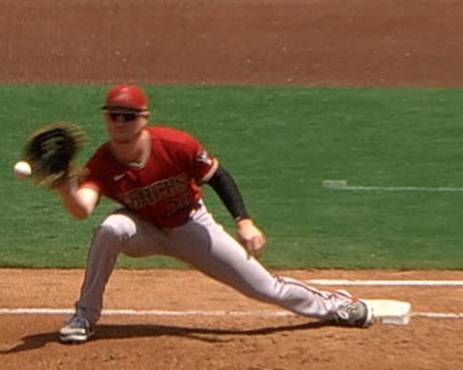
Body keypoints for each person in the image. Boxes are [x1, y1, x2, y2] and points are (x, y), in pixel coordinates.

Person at [51, 84, 376, 344]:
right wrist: (65, 186)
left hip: (191, 225)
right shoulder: (101, 162)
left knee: (262, 287)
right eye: (114, 116)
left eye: (128, 116)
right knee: (110, 228)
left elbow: (218, 176)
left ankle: (337, 305)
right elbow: (83, 210)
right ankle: (84, 317)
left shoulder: (176, 144)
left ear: (144, 118)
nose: (120, 122)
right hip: (144, 229)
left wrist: (244, 221)